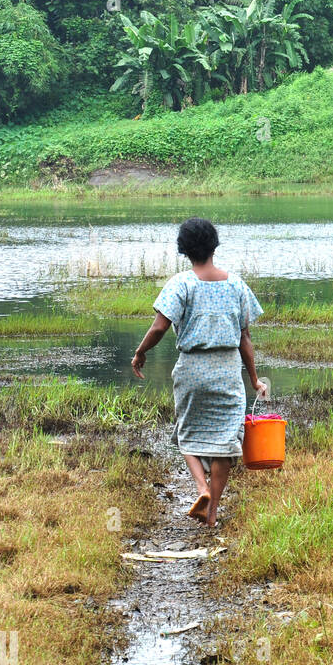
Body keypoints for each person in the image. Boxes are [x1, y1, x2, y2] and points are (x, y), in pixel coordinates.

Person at [131, 218, 267, 527]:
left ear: (184, 249)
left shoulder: (181, 284)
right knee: (226, 441)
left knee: (186, 432)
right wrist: (254, 379)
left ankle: (201, 487)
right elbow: (245, 339)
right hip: (227, 372)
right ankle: (212, 512)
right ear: (214, 246)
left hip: (192, 369)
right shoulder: (236, 284)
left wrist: (141, 352)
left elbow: (159, 327)